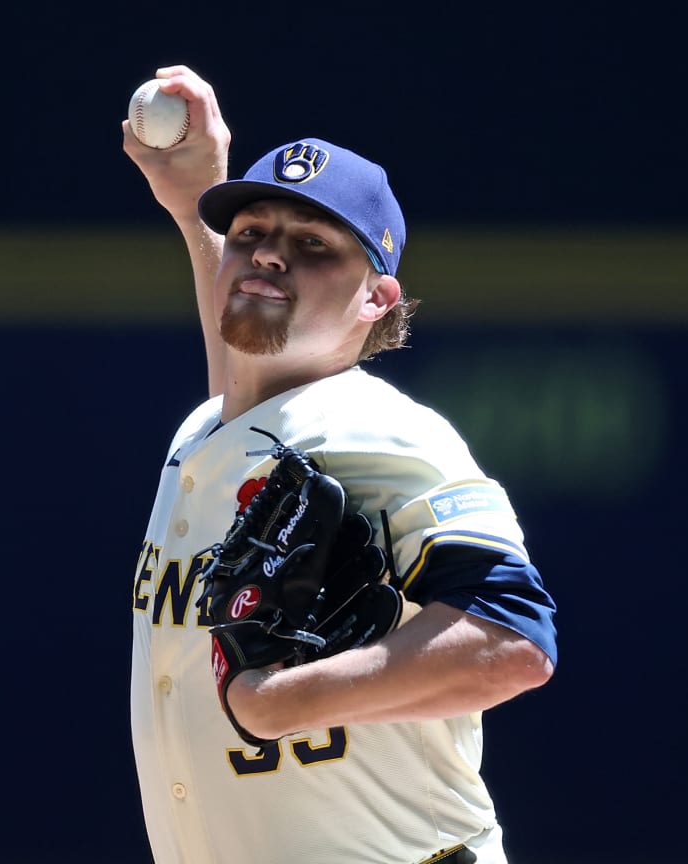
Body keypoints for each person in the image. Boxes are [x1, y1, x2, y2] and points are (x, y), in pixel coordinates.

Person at [121, 65, 559, 864]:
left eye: (313, 246)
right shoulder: (214, 429)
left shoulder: (381, 430)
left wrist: (276, 702)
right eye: (251, 235)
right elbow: (249, 397)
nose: (268, 257)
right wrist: (197, 210)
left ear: (377, 299)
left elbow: (514, 641)